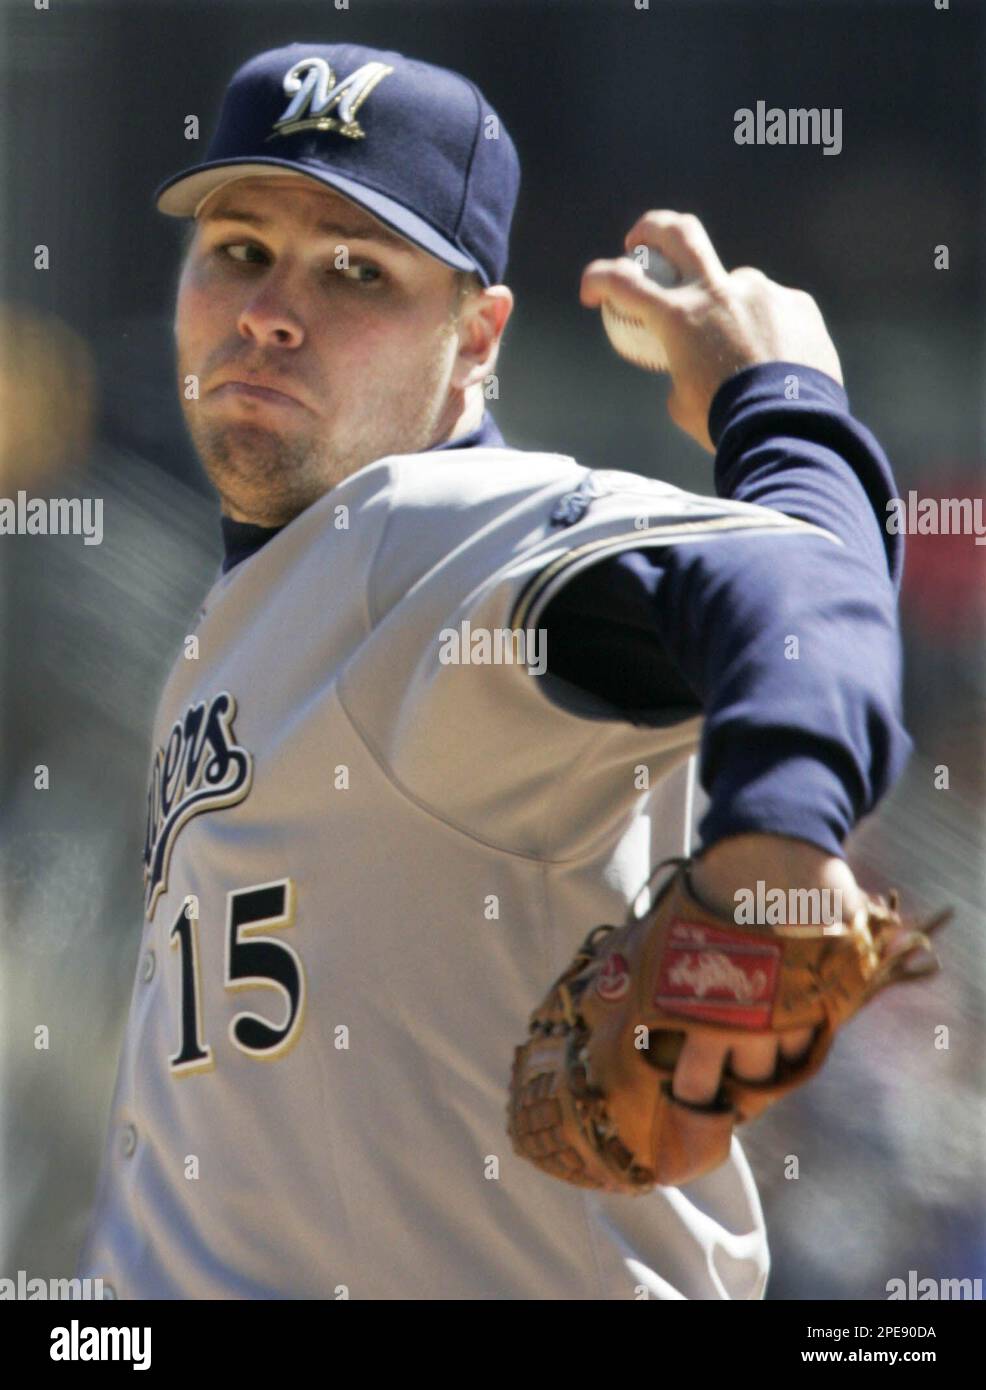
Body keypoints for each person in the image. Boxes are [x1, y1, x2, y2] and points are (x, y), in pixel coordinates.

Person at [78, 41, 910, 1299]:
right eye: (240, 248)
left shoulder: (431, 531)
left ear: (476, 340)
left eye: (357, 268)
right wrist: (783, 419)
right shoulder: (276, 593)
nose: (268, 309)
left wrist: (771, 852)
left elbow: (797, 594)